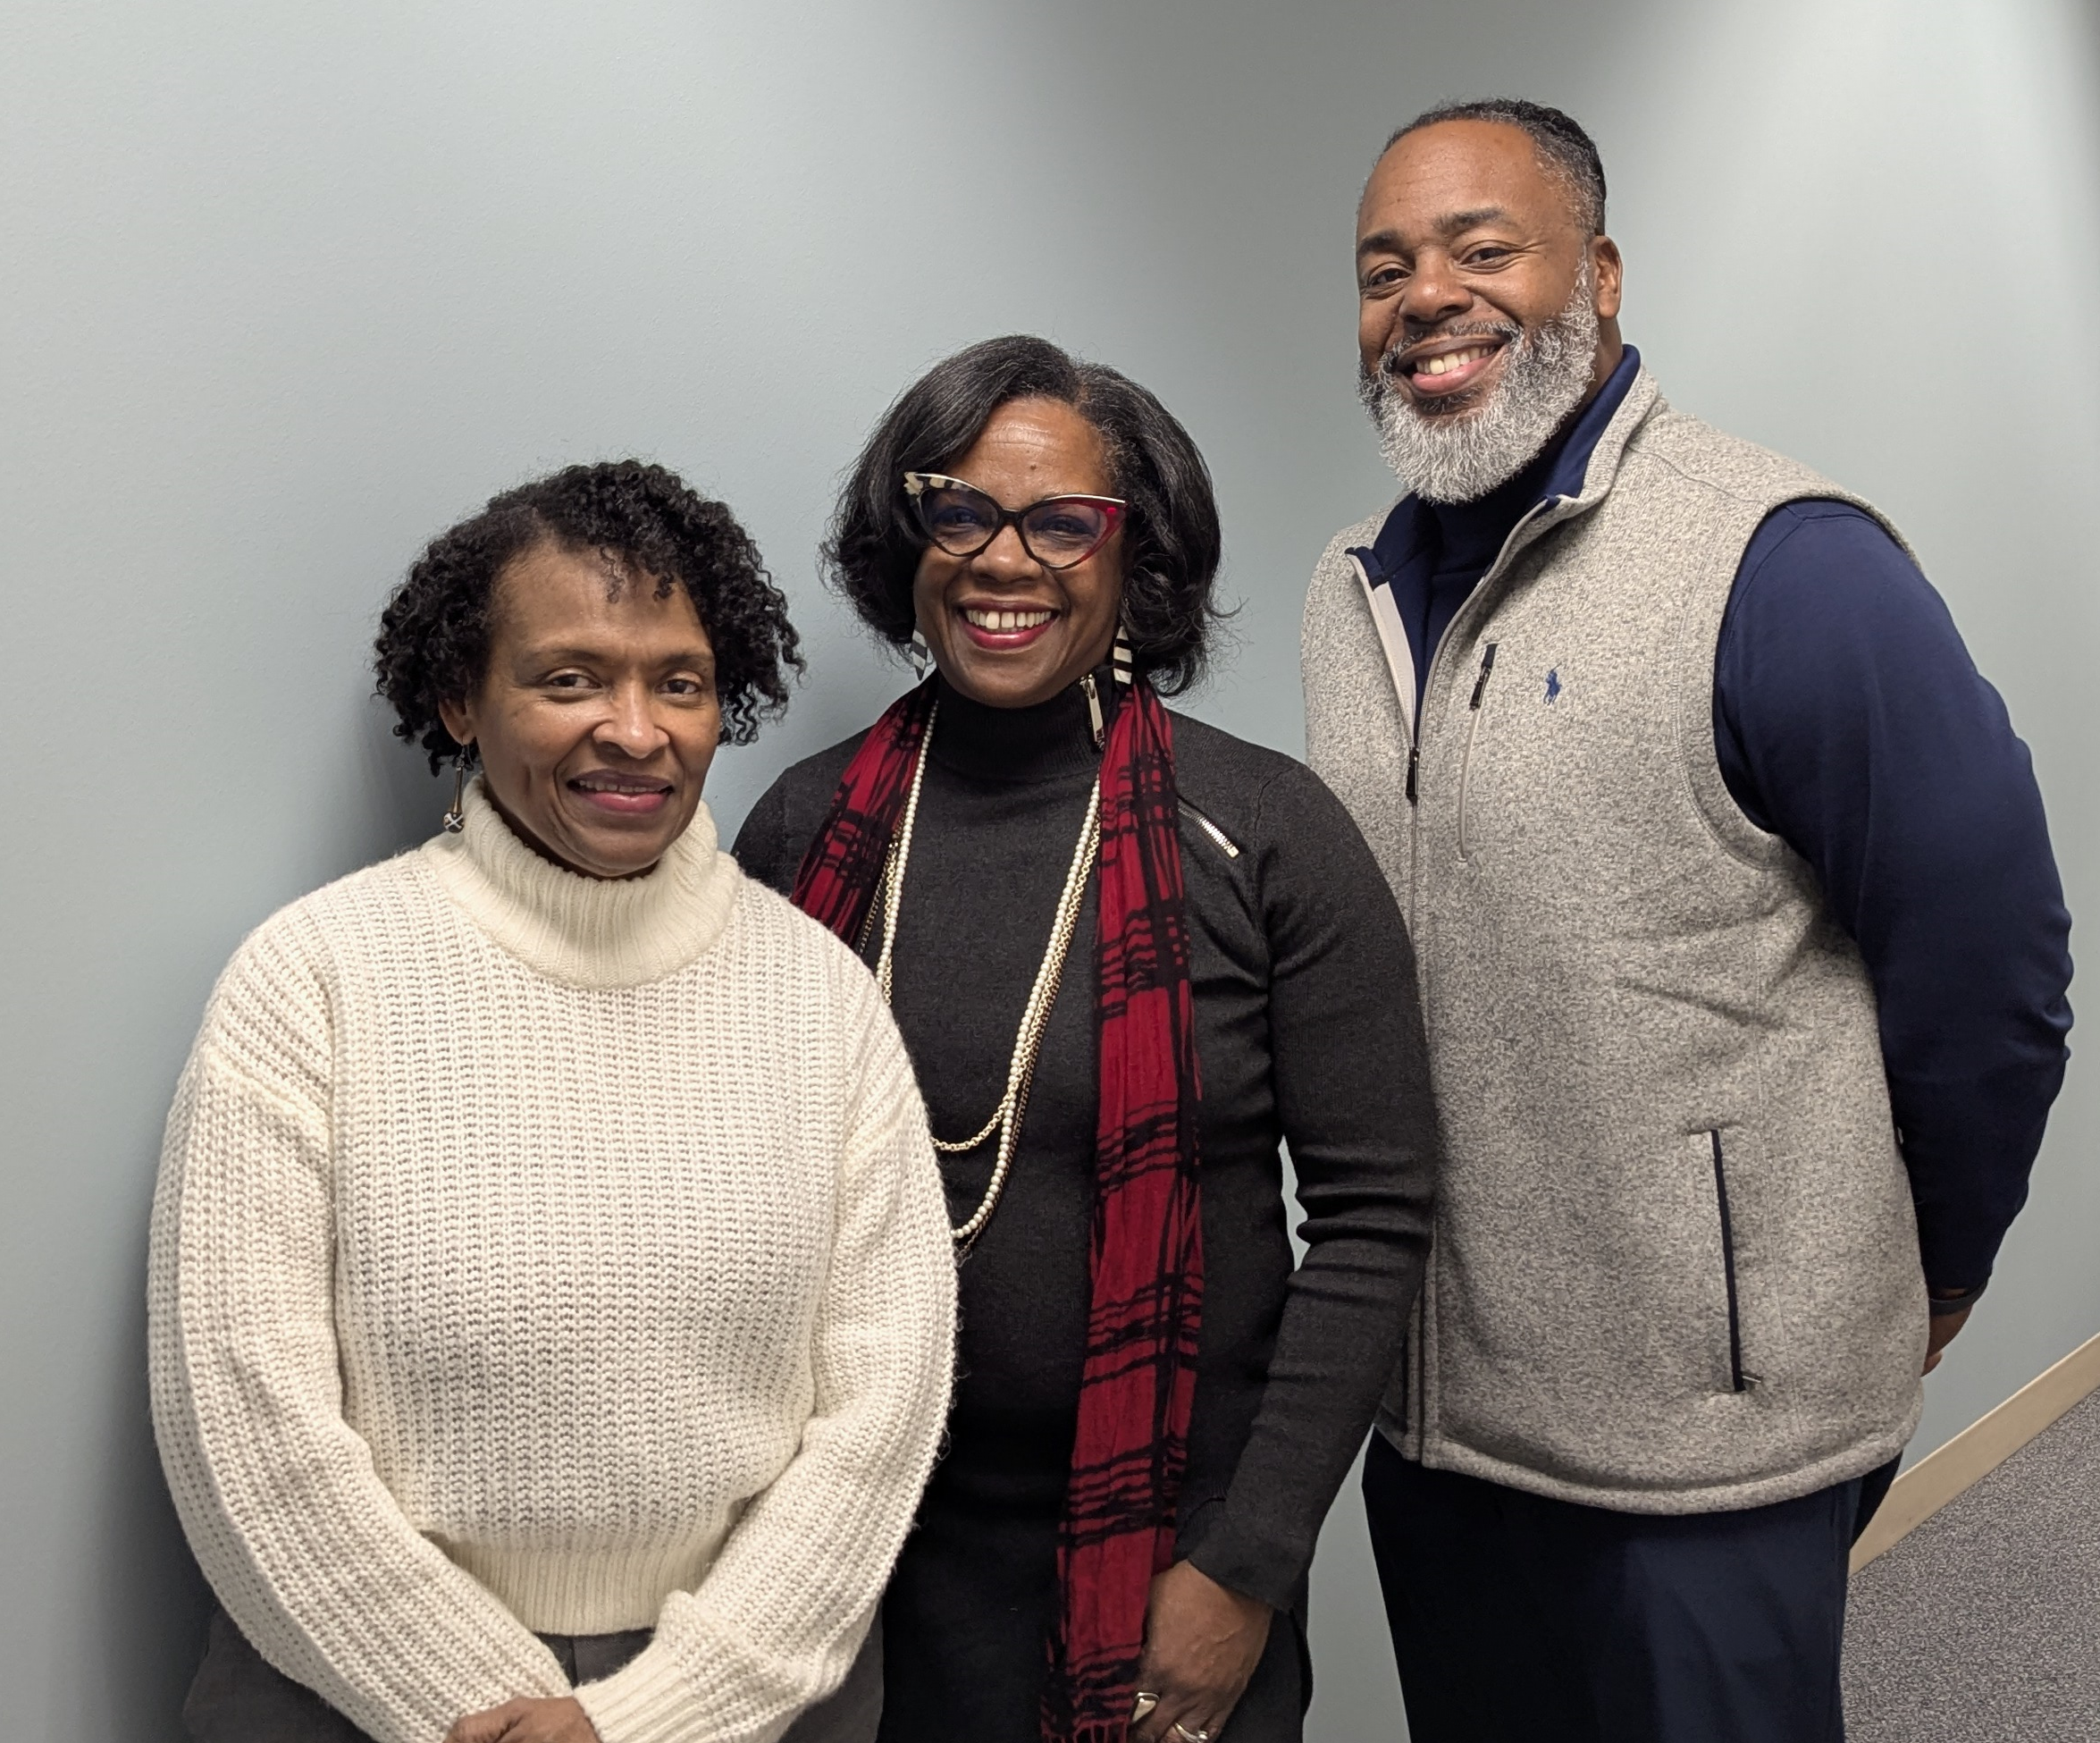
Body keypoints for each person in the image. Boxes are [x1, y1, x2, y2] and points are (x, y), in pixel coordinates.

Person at [1300, 97, 2074, 1742]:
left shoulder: (1784, 566)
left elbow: (1991, 969)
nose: (1424, 295)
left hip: (1709, 1453)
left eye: (1481, 248)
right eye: (1384, 269)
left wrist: (1919, 1275)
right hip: (1438, 1424)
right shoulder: (1345, 595)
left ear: (1601, 275)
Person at [149, 460, 956, 1743]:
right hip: (346, 1682)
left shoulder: (821, 995)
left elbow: (882, 1406)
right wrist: (485, 1705)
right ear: (461, 698)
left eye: (678, 682)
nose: (634, 730)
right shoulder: (311, 980)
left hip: (746, 1695)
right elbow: (243, 1422)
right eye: (569, 677)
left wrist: (653, 1717)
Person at [734, 335, 1437, 1743]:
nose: (1006, 560)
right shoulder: (806, 834)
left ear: (1136, 562)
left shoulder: (1265, 833)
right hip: (853, 1555)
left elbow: (1376, 1214)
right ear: (907, 536)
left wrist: (1244, 1564)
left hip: (1167, 1548)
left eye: (1065, 522)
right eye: (960, 509)